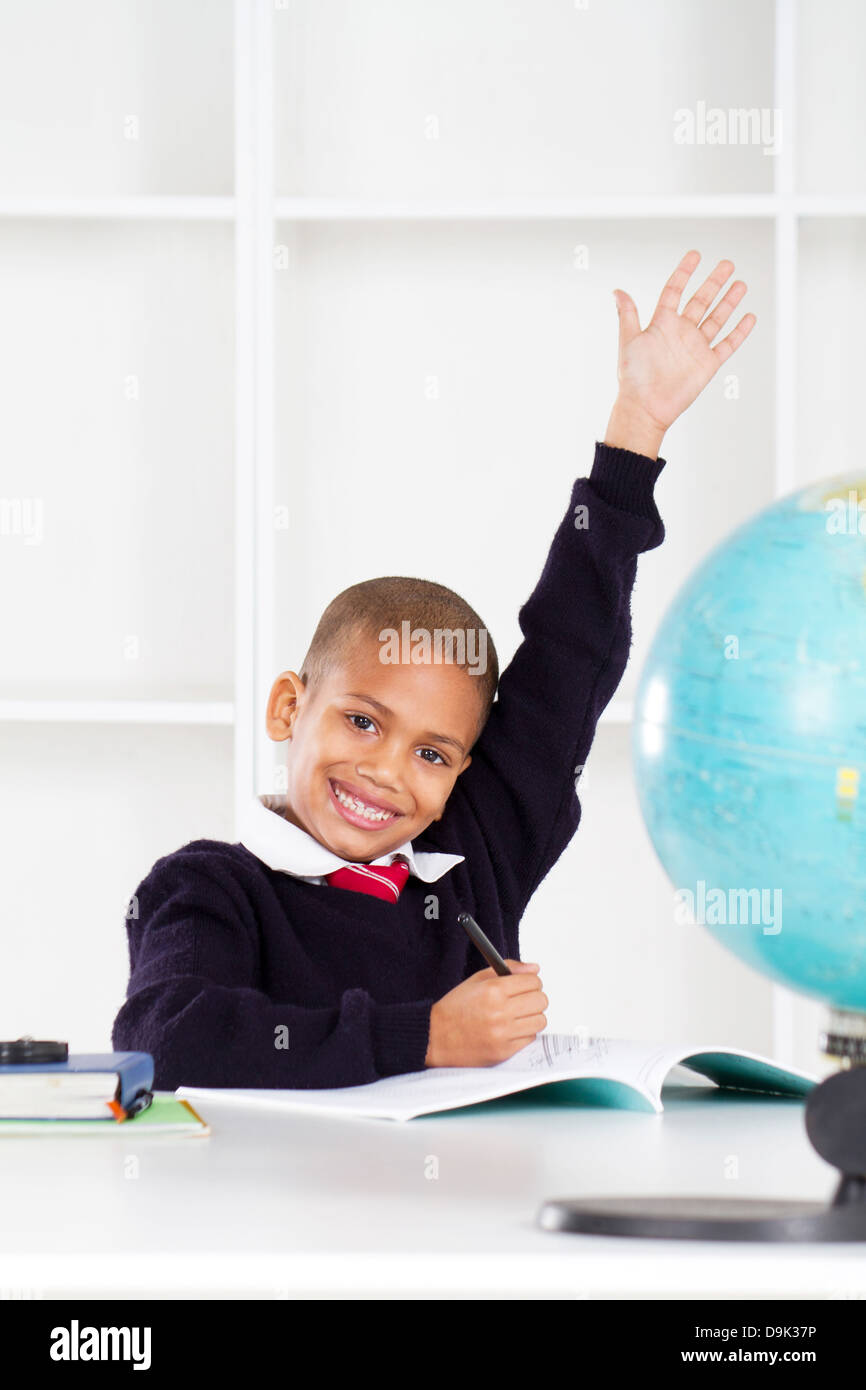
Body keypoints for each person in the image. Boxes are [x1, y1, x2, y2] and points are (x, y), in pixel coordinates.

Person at [111, 250, 756, 1089]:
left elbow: (566, 659)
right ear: (288, 707)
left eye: (432, 754)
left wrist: (637, 430)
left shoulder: (474, 856)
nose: (385, 771)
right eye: (362, 721)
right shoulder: (207, 888)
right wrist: (425, 1036)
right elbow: (166, 1042)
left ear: (463, 774)